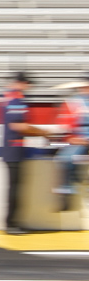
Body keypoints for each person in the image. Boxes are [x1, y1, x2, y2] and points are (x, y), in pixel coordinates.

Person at [0, 72, 41, 234]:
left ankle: (12, 222)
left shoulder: (6, 97)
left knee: (13, 188)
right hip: (14, 149)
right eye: (28, 84)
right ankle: (11, 224)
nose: (29, 87)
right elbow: (19, 126)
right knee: (14, 189)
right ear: (22, 83)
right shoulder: (17, 99)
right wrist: (43, 132)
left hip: (10, 148)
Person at [51, 76, 89, 204]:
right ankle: (66, 191)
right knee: (64, 159)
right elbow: (65, 126)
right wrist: (74, 139)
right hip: (79, 139)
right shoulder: (72, 102)